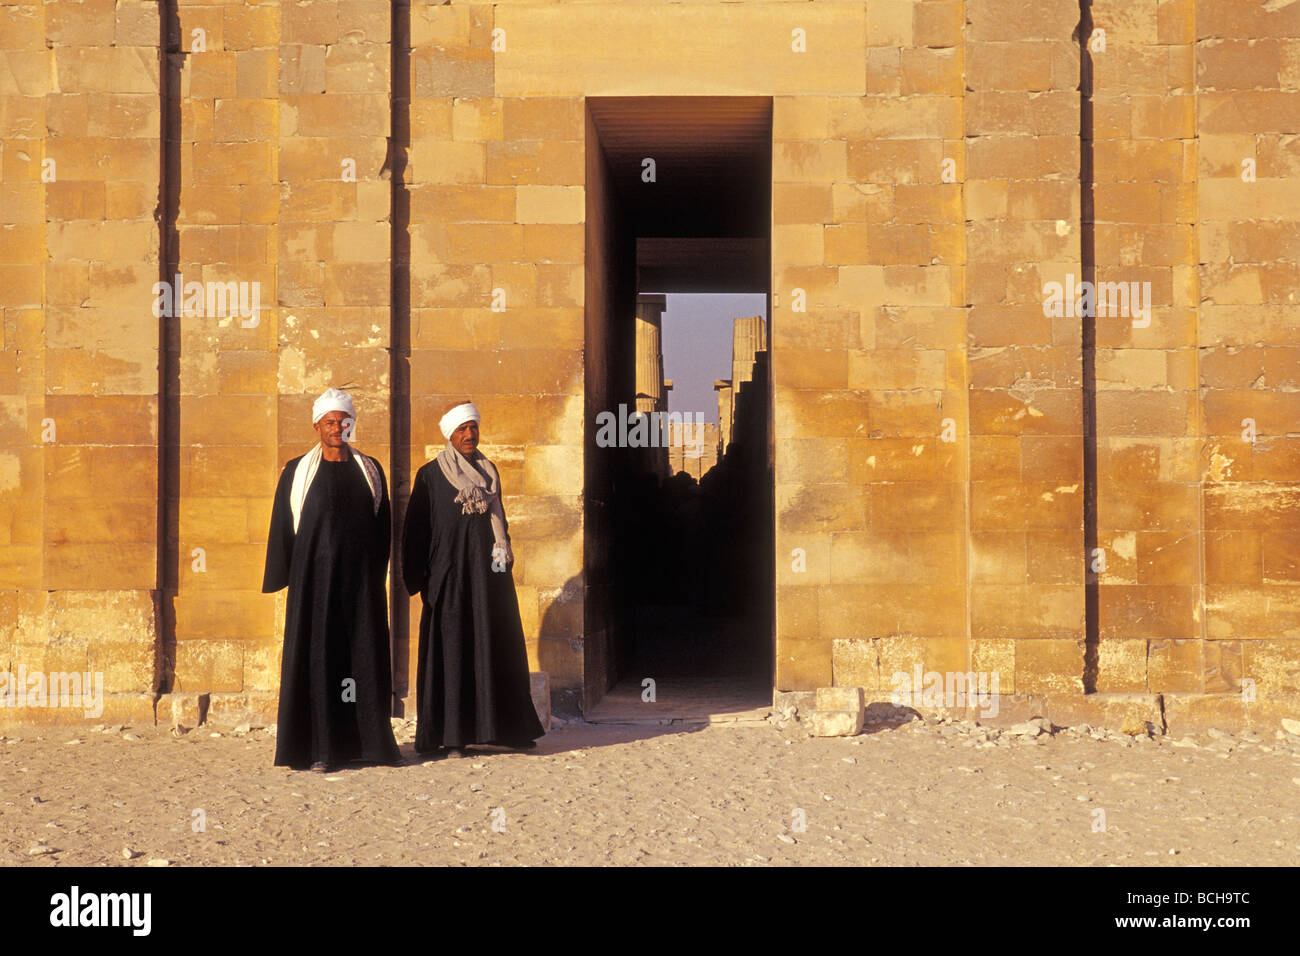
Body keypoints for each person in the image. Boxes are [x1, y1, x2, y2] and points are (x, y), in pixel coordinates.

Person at [262, 387, 401, 771]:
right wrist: (287, 576)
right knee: (318, 657)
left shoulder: (370, 469)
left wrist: (376, 575)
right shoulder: (297, 471)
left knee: (361, 658)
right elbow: (282, 527)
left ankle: (369, 745)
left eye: (344, 421)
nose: (338, 427)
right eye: (330, 422)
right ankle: (321, 749)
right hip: (314, 587)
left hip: (359, 588)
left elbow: (381, 526)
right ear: (317, 426)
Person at [401, 400, 545, 757]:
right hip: (450, 583)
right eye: (462, 429)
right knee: (453, 654)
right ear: (449, 433)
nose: (469, 435)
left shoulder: (489, 473)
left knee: (494, 649)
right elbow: (416, 532)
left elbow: (499, 524)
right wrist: (421, 582)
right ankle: (452, 737)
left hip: (489, 583)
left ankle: (503, 731)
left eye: (474, 428)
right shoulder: (431, 475)